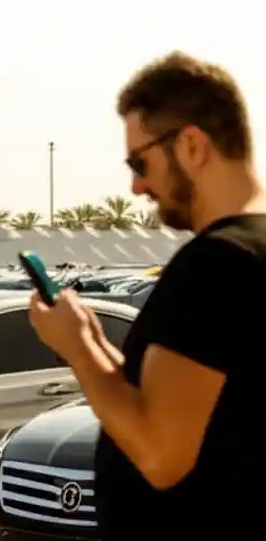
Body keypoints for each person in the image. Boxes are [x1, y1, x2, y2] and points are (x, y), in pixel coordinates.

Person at [28, 51, 259, 539]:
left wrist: (78, 350)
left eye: (141, 162)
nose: (136, 186)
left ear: (192, 145)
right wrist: (95, 340)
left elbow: (160, 455)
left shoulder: (215, 264)